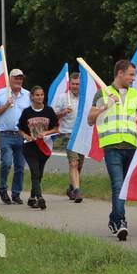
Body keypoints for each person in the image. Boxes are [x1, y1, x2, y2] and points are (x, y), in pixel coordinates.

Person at [88, 58, 137, 241]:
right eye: (131, 74)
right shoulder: (102, 93)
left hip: (131, 145)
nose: (133, 78)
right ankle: (120, 222)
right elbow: (90, 119)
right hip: (111, 146)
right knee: (118, 185)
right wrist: (105, 105)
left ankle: (113, 219)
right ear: (120, 73)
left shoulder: (136, 95)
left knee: (124, 187)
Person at [0, 69, 30, 205]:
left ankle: (16, 193)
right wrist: (6, 105)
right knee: (6, 163)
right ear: (10, 79)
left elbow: (30, 115)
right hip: (6, 134)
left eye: (20, 78)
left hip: (21, 134)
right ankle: (2, 189)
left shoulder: (27, 95)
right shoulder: (1, 94)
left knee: (20, 166)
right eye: (16, 78)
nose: (18, 81)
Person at [18, 85, 59, 209]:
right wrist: (26, 136)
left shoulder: (49, 111)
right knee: (35, 172)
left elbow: (56, 128)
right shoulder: (27, 112)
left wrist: (46, 133)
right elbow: (20, 129)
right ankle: (40, 197)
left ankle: (31, 198)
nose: (40, 97)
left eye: (42, 95)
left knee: (39, 173)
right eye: (37, 95)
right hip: (30, 146)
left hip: (44, 146)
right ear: (32, 97)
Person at [53, 70, 84, 202]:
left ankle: (71, 186)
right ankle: (77, 191)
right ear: (69, 84)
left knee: (79, 164)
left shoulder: (85, 98)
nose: (75, 86)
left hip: (82, 135)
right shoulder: (63, 97)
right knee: (73, 163)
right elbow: (53, 116)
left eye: (77, 84)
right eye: (73, 84)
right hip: (68, 133)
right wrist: (64, 112)